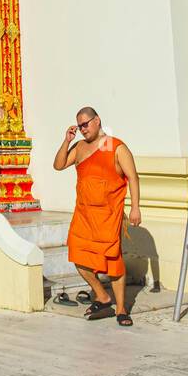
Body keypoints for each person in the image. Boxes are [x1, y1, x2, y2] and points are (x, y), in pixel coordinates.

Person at [54, 106, 141, 325]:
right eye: (80, 125)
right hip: (84, 214)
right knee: (77, 255)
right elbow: (58, 165)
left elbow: (133, 177)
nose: (83, 129)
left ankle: (121, 309)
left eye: (86, 124)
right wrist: (67, 140)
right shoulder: (80, 147)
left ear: (97, 120)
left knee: (113, 262)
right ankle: (102, 295)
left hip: (108, 214)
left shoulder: (115, 146)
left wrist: (135, 207)